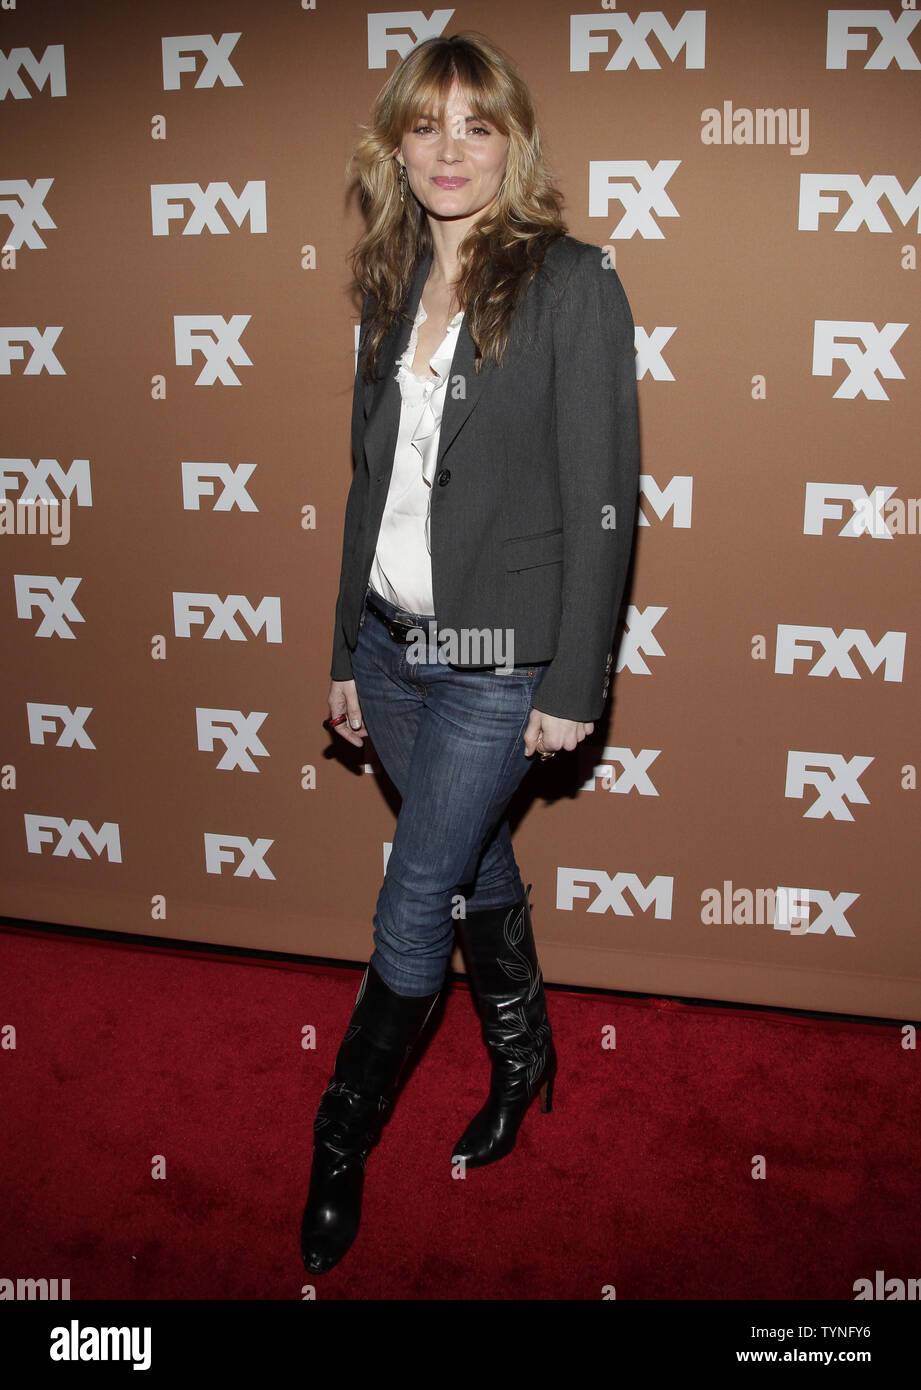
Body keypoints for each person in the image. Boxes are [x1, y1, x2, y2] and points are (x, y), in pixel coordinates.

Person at [301, 31, 639, 1275]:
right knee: (472, 853)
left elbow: (607, 497)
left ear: (513, 143)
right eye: (428, 124)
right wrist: (346, 648)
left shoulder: (572, 282)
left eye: (478, 125)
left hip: (496, 653)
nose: (451, 150)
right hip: (392, 651)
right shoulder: (391, 289)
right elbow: (366, 488)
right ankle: (525, 1052)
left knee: (412, 898)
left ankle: (336, 1141)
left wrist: (572, 679)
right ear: (397, 141)